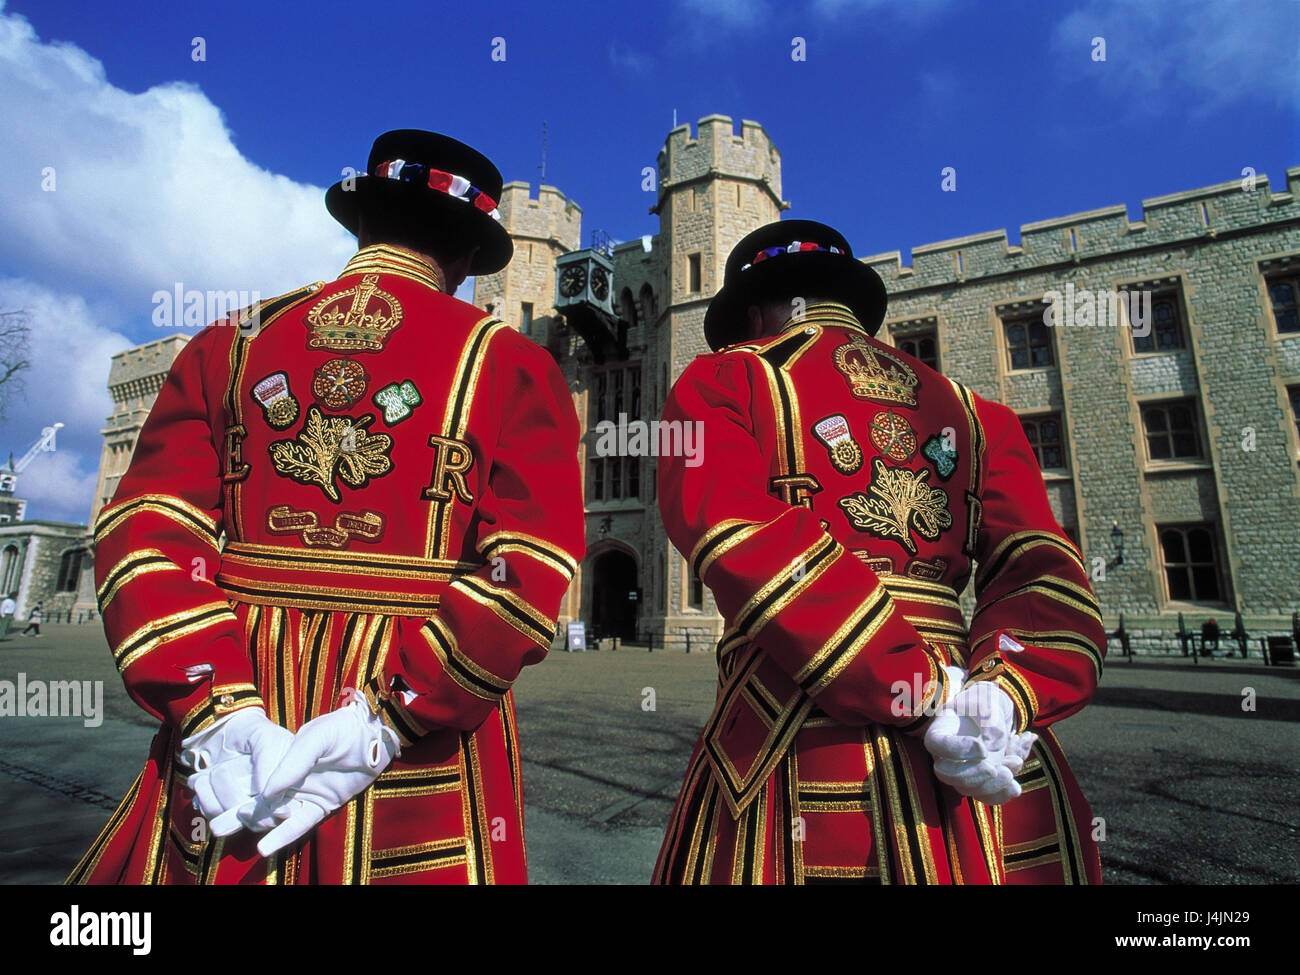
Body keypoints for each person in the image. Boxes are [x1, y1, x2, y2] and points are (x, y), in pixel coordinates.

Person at [69, 129, 585, 885]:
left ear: (360, 222)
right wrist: (388, 714)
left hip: (238, 679)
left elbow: (146, 530)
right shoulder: (512, 363)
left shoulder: (230, 341)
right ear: (471, 258)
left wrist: (216, 706)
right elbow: (528, 571)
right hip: (412, 726)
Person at [652, 220, 1106, 884]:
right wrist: (1002, 696)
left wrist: (913, 681)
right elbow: (1047, 575)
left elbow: (739, 537)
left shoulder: (723, 379)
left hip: (796, 728)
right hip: (973, 739)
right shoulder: (980, 416)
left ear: (754, 313)